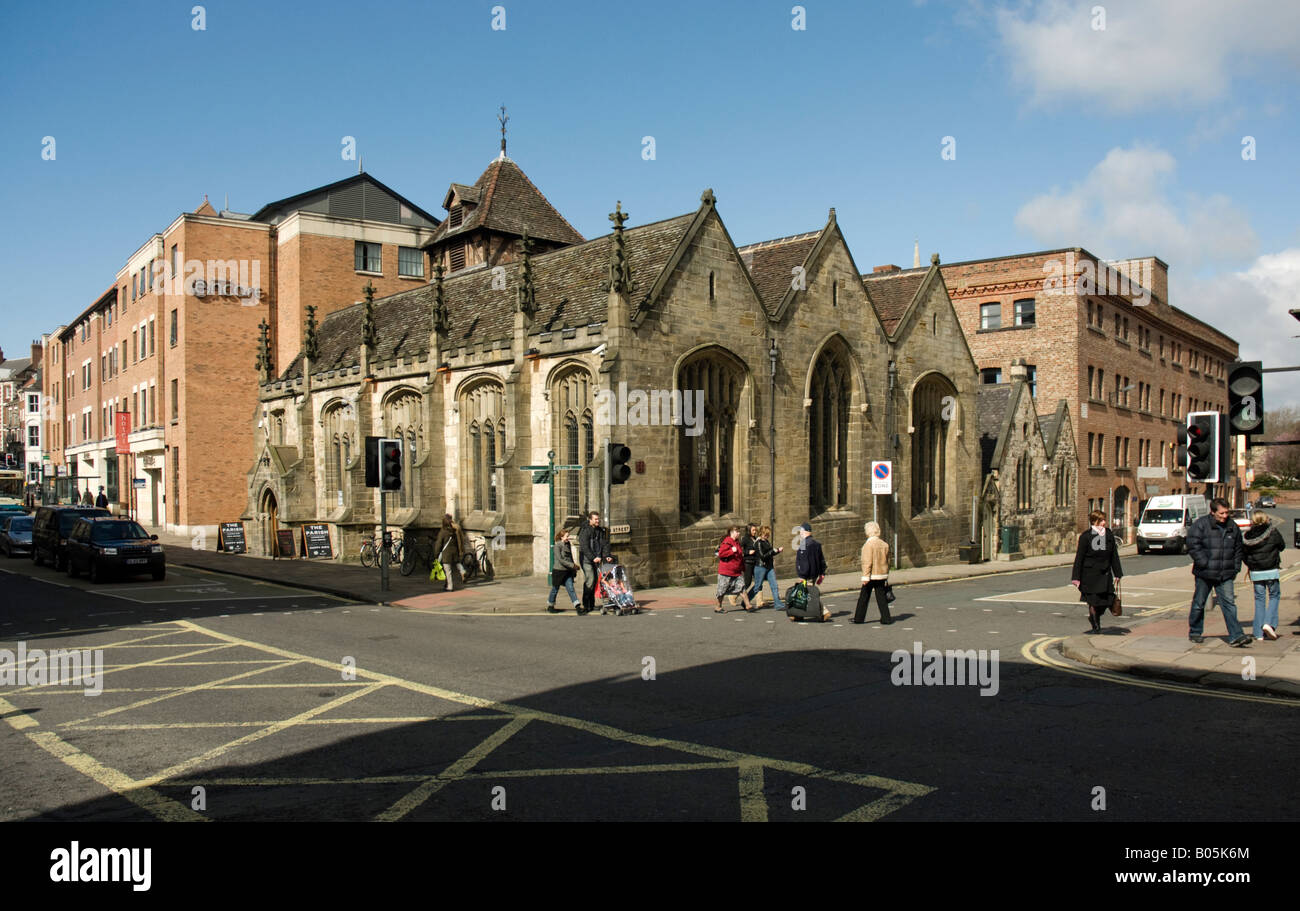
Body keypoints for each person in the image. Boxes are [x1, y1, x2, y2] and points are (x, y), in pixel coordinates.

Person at [1185, 497, 1250, 646]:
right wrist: (1204, 562)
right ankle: (1195, 632)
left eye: (1227, 513)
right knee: (1199, 604)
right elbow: (1193, 545)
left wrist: (1235, 568)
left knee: (1229, 604)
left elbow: (1238, 549)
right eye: (1221, 513)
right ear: (1212, 512)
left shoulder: (1232, 526)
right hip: (1205, 573)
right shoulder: (1201, 525)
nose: (1225, 516)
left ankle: (1236, 636)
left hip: (1225, 574)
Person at [1071, 510, 1123, 632]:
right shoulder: (1085, 536)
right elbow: (1079, 557)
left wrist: (1118, 573)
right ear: (1095, 521)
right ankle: (1096, 625)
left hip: (1105, 574)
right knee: (1093, 602)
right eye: (1102, 520)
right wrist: (1076, 577)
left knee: (1107, 600)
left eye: (1104, 520)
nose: (1104, 522)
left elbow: (1114, 555)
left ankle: (1094, 617)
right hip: (1089, 575)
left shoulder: (1109, 534)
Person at [1242, 511, 1285, 641]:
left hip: (1255, 572)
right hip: (1271, 570)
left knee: (1259, 600)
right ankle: (1268, 623)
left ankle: (1258, 633)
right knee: (1274, 596)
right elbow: (1282, 546)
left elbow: (1243, 554)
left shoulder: (1247, 535)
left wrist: (1251, 564)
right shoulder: (1273, 532)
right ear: (1266, 519)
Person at [853, 521, 892, 624]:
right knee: (881, 598)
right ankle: (886, 618)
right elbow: (888, 561)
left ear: (868, 532)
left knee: (864, 597)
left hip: (871, 575)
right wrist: (886, 573)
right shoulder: (884, 544)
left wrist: (865, 577)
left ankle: (859, 618)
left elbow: (867, 562)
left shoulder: (868, 545)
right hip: (881, 575)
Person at [788, 522, 829, 621]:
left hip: (806, 574)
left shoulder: (803, 544)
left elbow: (803, 561)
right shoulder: (816, 544)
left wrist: (802, 575)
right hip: (814, 574)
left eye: (801, 531)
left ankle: (824, 612)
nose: (800, 533)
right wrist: (822, 573)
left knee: (808, 594)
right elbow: (821, 560)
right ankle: (798, 615)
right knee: (804, 593)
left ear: (804, 531)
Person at [578, 511, 611, 615]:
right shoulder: (585, 530)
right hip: (587, 559)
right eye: (595, 519)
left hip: (596, 559)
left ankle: (591, 604)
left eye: (598, 519)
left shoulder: (600, 531)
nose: (598, 521)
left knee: (595, 580)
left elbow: (605, 544)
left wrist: (607, 555)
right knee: (590, 580)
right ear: (590, 519)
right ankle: (586, 604)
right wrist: (593, 558)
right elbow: (584, 546)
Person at [715, 525, 754, 613]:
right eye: (737, 531)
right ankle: (718, 607)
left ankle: (748, 605)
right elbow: (721, 554)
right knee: (722, 590)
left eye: (739, 531)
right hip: (726, 571)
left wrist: (743, 568)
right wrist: (731, 551)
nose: (739, 533)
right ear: (732, 533)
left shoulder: (736, 542)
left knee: (742, 588)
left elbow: (740, 557)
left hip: (736, 572)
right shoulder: (727, 542)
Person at [746, 525, 784, 610]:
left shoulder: (766, 541)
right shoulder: (758, 543)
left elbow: (770, 553)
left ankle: (777, 604)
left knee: (774, 585)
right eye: (765, 534)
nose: (767, 536)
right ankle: (746, 602)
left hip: (769, 567)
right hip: (760, 567)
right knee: (757, 587)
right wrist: (773, 551)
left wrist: (777, 551)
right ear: (761, 533)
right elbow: (762, 556)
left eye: (768, 535)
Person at [546, 528, 581, 614]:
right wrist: (572, 565)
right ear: (561, 537)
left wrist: (573, 568)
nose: (568, 538)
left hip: (567, 571)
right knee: (555, 589)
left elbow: (570, 557)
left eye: (568, 536)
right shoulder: (557, 546)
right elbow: (560, 560)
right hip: (558, 571)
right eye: (566, 536)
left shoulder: (567, 544)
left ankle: (578, 607)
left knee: (571, 588)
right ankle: (550, 605)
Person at [433, 514, 463, 592]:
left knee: (448, 571)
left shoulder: (442, 532)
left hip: (446, 554)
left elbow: (439, 544)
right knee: (452, 568)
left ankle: (450, 586)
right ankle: (447, 584)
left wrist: (436, 554)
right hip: (454, 552)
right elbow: (458, 542)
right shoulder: (453, 531)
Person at [740, 523, 760, 595]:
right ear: (749, 530)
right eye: (753, 530)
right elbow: (739, 549)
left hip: (755, 562)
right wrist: (748, 552)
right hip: (748, 563)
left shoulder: (755, 538)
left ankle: (759, 601)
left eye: (755, 530)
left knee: (758, 581)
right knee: (747, 582)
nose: (755, 531)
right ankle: (734, 596)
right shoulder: (745, 539)